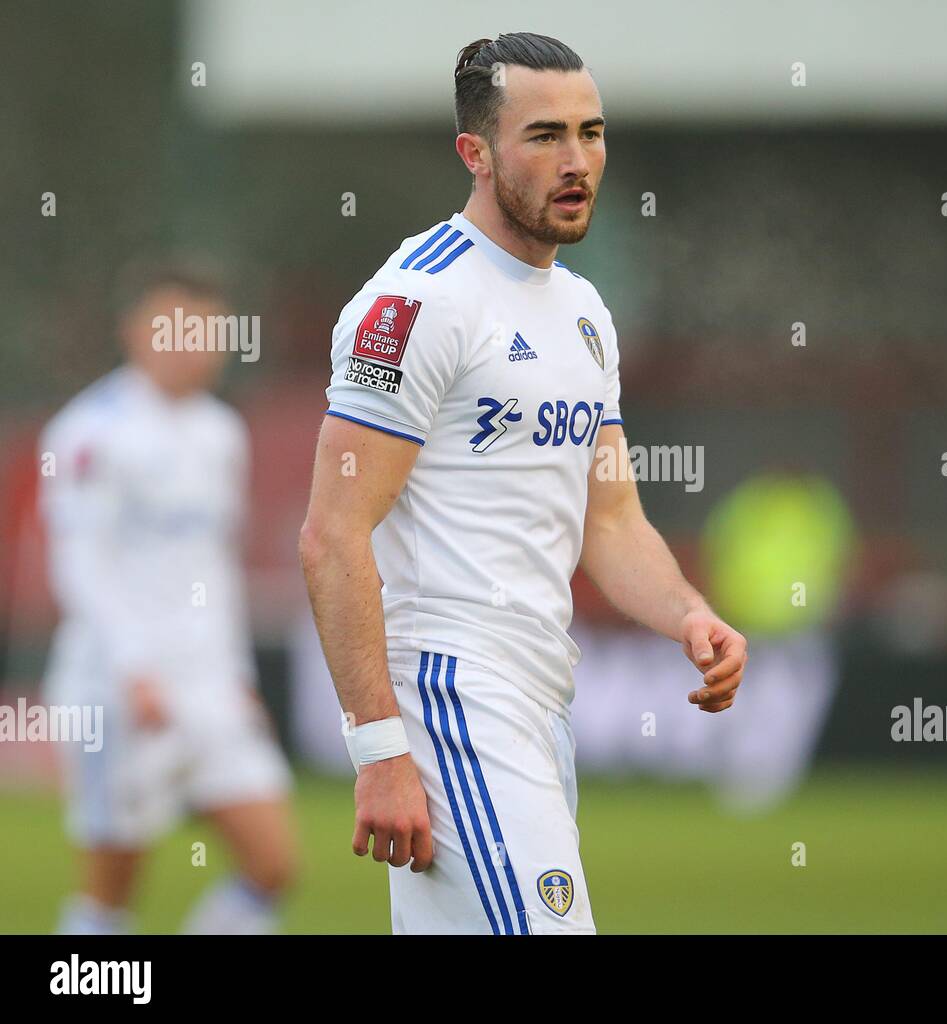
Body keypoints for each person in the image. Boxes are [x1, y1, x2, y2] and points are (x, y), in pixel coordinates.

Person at [299, 32, 747, 934]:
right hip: (451, 695)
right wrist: (381, 749)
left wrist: (687, 614)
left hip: (539, 697)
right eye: (544, 136)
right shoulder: (416, 305)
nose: (577, 160)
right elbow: (331, 536)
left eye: (592, 131)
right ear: (475, 153)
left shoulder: (583, 311)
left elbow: (611, 517)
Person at [39, 264, 296, 934]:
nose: (193, 344)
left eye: (207, 330)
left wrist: (236, 676)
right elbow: (80, 562)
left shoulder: (221, 433)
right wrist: (134, 669)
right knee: (110, 895)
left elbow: (217, 565)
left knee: (273, 864)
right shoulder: (92, 431)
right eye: (176, 328)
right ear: (137, 332)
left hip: (206, 683)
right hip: (120, 689)